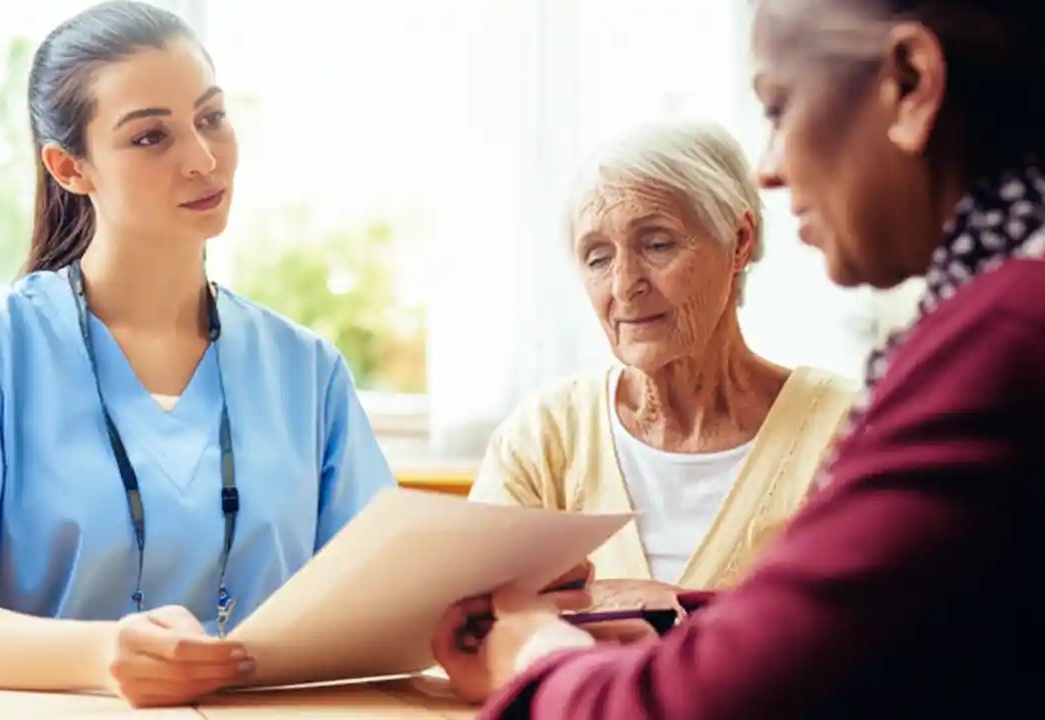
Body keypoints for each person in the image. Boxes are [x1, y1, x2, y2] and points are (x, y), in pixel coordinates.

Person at [433, 1, 1045, 717]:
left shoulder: (1008, 335)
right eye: (597, 256)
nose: (771, 165)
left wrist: (533, 654)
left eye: (778, 107)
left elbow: (707, 703)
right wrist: (677, 625)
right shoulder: (1008, 307)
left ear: (911, 84)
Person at [0, 0, 394, 708]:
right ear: (70, 167)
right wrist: (106, 653)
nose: (202, 157)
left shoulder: (307, 369)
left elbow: (377, 599)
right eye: (150, 138)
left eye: (211, 117)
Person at [468, 120, 856, 622]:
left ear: (739, 241)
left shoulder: (849, 428)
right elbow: (477, 627)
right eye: (598, 257)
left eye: (657, 244)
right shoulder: (545, 436)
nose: (626, 284)